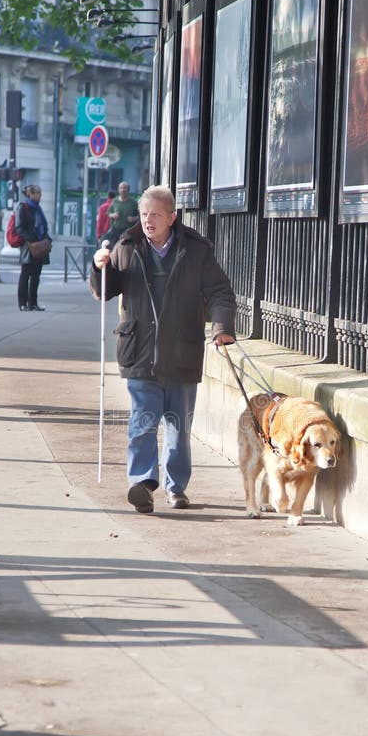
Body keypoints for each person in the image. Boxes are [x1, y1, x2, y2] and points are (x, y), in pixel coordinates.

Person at [90, 185, 236, 514]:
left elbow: (220, 293)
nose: (148, 220)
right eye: (144, 214)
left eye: (155, 214)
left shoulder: (197, 251)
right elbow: (105, 291)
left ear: (172, 217)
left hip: (181, 351)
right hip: (139, 351)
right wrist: (101, 267)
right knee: (142, 422)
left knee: (178, 427)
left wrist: (222, 328)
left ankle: (176, 486)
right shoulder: (126, 246)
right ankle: (142, 482)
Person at [15, 185, 52, 312]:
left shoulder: (38, 209)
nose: (40, 195)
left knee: (36, 276)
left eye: (40, 193)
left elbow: (44, 226)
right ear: (30, 194)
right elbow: (19, 228)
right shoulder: (23, 208)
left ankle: (33, 302)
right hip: (29, 246)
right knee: (25, 275)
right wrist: (32, 239)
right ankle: (22, 303)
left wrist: (46, 238)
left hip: (40, 246)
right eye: (38, 193)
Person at [105, 181, 139, 247]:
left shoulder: (133, 203)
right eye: (121, 188)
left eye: (125, 188)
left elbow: (140, 216)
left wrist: (134, 219)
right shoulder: (115, 201)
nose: (123, 190)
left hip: (128, 232)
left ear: (128, 190)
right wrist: (113, 215)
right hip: (115, 231)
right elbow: (108, 213)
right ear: (118, 190)